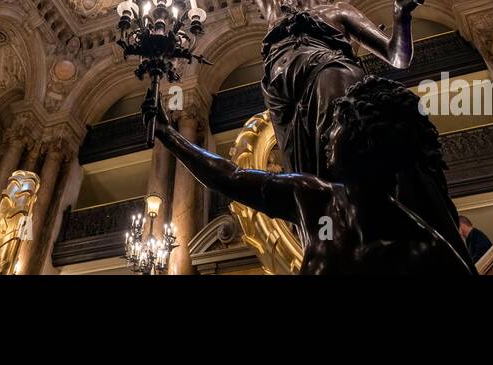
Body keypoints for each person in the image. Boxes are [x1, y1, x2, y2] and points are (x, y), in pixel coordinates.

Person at [238, 0, 468, 266]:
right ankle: (332, 240)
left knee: (341, 157)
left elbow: (398, 56)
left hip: (332, 77)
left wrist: (400, 12)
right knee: (308, 178)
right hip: (288, 104)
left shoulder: (339, 11)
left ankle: (367, 226)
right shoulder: (275, 11)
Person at [143, 75, 472, 276]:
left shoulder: (424, 249)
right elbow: (230, 177)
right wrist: (168, 135)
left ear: (366, 140)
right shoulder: (315, 197)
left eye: (339, 125)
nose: (328, 135)